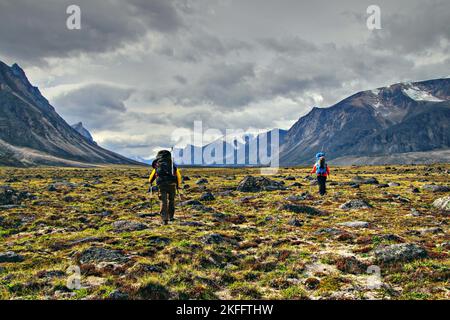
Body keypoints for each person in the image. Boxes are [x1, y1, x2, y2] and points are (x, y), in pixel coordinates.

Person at [148, 150, 182, 225]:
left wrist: (150, 182)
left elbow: (152, 176)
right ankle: (171, 217)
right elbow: (178, 176)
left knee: (163, 201)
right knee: (171, 200)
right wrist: (178, 185)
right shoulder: (172, 165)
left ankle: (164, 219)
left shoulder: (158, 165)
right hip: (172, 184)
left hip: (161, 185)